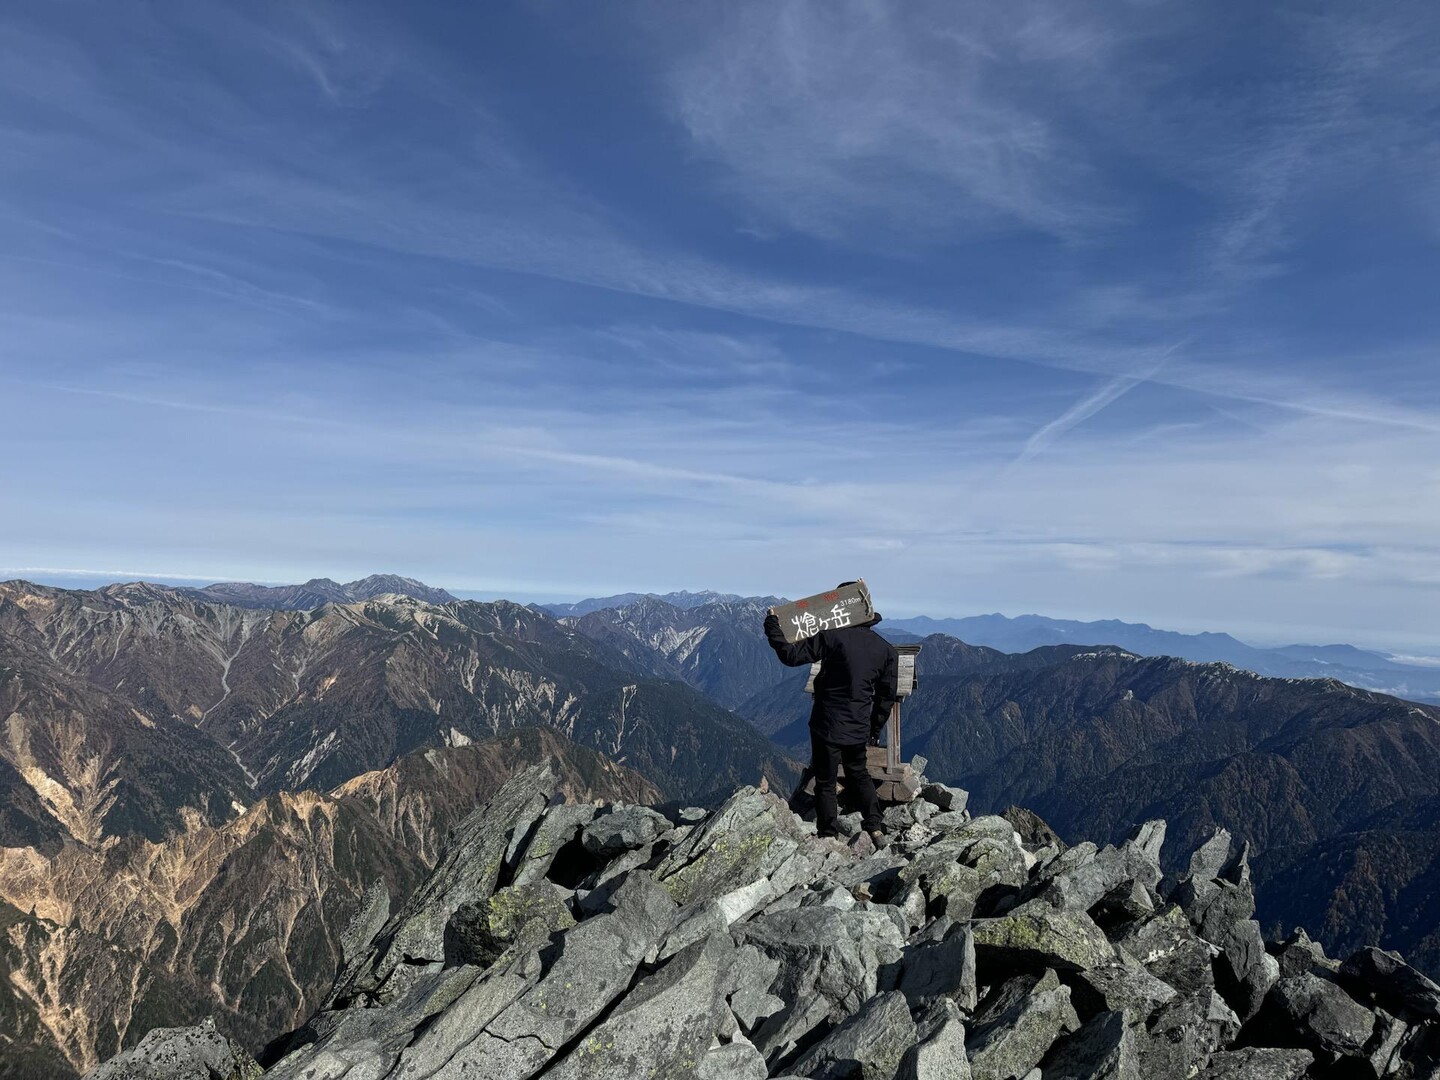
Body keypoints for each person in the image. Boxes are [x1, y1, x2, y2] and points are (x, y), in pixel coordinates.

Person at [763, 586, 898, 847]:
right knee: (858, 773)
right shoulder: (885, 650)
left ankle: (828, 833)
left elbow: (790, 656)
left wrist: (772, 626)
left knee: (825, 779)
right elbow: (886, 696)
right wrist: (874, 728)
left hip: (826, 723)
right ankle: (874, 825)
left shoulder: (831, 638)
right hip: (858, 725)